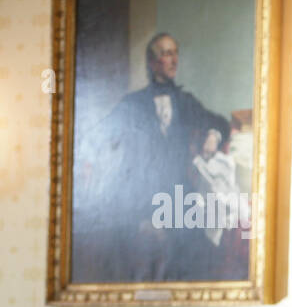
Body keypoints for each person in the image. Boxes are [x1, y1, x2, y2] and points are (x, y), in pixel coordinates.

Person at [75, 32, 230, 282]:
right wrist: (88, 162)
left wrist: (213, 134)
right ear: (151, 62)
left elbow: (219, 122)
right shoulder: (133, 103)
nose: (174, 60)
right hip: (142, 197)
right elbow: (98, 134)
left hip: (179, 195)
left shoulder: (184, 101)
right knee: (124, 253)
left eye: (175, 53)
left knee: (200, 252)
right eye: (166, 54)